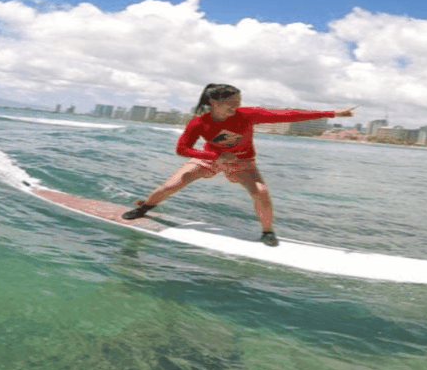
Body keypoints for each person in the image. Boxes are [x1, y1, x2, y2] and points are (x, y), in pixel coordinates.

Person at [122, 83, 357, 247]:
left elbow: (288, 115)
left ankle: (267, 232)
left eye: (239, 101)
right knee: (171, 185)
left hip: (243, 163)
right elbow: (181, 149)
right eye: (232, 102)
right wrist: (217, 158)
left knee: (261, 192)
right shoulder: (199, 122)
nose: (236, 106)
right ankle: (144, 208)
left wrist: (333, 113)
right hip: (210, 158)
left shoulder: (247, 115)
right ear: (214, 102)